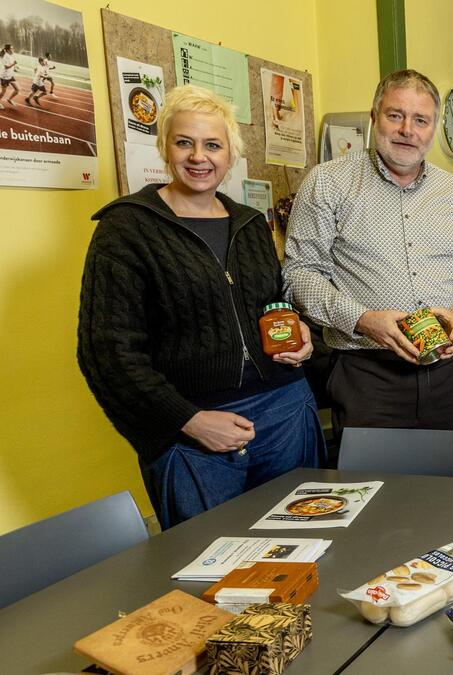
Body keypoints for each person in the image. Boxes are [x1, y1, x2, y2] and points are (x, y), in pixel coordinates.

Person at [78, 85, 323, 529]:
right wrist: (187, 421)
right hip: (196, 434)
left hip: (286, 413)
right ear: (165, 148)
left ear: (230, 154)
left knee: (305, 551)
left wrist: (301, 334)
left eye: (213, 145)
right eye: (184, 142)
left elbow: (272, 305)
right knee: (208, 572)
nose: (199, 157)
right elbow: (106, 353)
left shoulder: (249, 224)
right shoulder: (127, 229)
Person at [283, 69, 453, 442]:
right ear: (375, 117)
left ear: (432, 127)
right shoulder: (328, 182)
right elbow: (299, 273)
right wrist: (362, 319)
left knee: (448, 493)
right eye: (395, 115)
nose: (407, 130)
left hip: (446, 373)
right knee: (371, 493)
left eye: (420, 120)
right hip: (366, 374)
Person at [0, 45, 19, 109]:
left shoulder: (11, 55)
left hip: (10, 75)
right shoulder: (5, 56)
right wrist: (14, 64)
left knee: (17, 89)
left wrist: (15, 67)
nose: (13, 49)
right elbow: (6, 67)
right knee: (3, 92)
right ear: (8, 50)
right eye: (12, 48)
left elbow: (12, 64)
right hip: (5, 77)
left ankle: (9, 99)